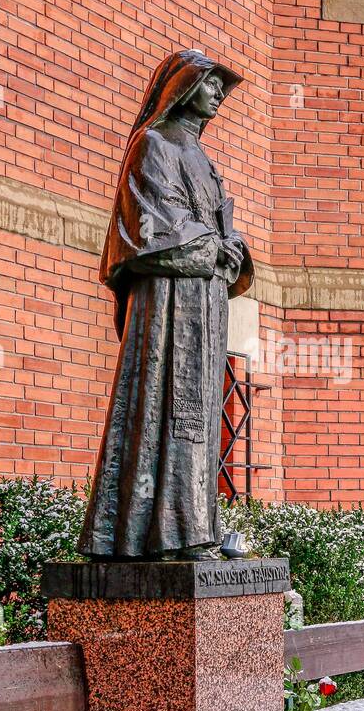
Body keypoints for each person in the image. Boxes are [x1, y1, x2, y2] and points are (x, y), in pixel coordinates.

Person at [79, 49, 253, 560]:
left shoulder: (201, 156)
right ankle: (160, 535)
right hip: (169, 302)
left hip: (205, 300)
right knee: (165, 408)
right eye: (210, 82)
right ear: (183, 87)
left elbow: (217, 228)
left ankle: (195, 527)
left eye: (221, 85)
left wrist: (233, 248)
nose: (218, 93)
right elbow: (151, 225)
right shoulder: (153, 143)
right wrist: (212, 247)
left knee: (197, 415)